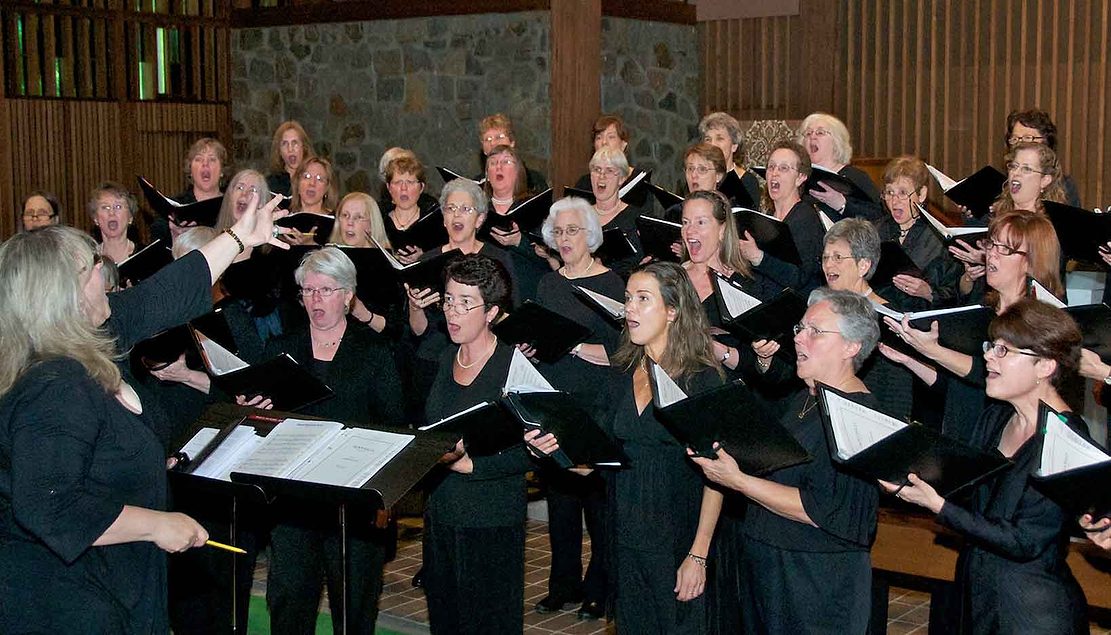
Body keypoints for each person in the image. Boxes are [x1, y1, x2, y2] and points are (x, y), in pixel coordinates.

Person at [0, 189, 286, 633]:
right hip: (68, 599)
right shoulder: (52, 384)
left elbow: (161, 296)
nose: (104, 270)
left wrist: (239, 236)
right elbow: (49, 507)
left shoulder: (95, 333)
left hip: (119, 582)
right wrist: (157, 525)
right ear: (65, 294)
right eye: (93, 265)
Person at [884, 299, 1089, 634]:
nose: (989, 356)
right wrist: (910, 475)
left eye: (1004, 351)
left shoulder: (1068, 438)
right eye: (991, 346)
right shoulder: (995, 418)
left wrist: (937, 504)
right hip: (980, 601)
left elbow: (1025, 540)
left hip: (1034, 615)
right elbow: (966, 490)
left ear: (1046, 366)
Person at [691, 288, 881, 633]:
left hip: (816, 580)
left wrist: (738, 480)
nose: (800, 339)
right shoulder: (803, 399)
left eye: (815, 332)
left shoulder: (859, 416)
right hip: (770, 562)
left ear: (852, 347)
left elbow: (821, 507)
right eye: (799, 329)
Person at [254, 247, 404, 635]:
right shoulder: (280, 350)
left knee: (354, 606)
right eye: (308, 291)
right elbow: (263, 426)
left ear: (348, 295)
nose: (315, 300)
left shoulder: (374, 352)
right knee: (289, 601)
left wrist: (384, 499)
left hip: (352, 501)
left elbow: (393, 426)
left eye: (325, 290)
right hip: (293, 499)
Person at [602, 262, 724, 632]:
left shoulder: (703, 378)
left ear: (672, 311)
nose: (630, 309)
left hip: (677, 531)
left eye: (643, 299)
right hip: (625, 530)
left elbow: (717, 475)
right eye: (627, 299)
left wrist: (698, 554)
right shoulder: (623, 370)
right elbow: (606, 453)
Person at [882, 210, 1065, 445]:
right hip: (960, 429)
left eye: (1004, 250)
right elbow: (957, 386)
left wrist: (934, 351)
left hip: (1004, 436)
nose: (991, 256)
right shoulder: (980, 306)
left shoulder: (1040, 319)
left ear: (1031, 261)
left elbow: (986, 374)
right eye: (991, 245)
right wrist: (909, 357)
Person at [422, 253, 533, 634]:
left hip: (492, 519)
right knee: (446, 621)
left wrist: (475, 466)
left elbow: (537, 449)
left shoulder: (512, 366)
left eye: (465, 303)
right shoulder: (443, 358)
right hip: (442, 515)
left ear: (491, 312)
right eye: (448, 300)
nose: (452, 312)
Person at [530, 197, 624, 620]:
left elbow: (627, 351)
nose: (565, 239)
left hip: (600, 404)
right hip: (556, 402)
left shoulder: (614, 284)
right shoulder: (548, 285)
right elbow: (543, 343)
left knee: (597, 506)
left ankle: (599, 587)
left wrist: (581, 348)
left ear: (590, 235)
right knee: (560, 502)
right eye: (559, 232)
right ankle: (562, 584)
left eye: (573, 231)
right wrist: (531, 349)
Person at [737, 139, 825, 296]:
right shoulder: (768, 217)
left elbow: (799, 277)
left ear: (800, 178)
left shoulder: (806, 219)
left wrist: (758, 257)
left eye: (783, 168)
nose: (774, 173)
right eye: (771, 167)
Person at [875, 156, 962, 307]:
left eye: (903, 193)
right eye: (889, 192)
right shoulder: (874, 231)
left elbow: (956, 296)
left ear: (921, 194)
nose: (894, 201)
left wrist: (928, 293)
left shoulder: (941, 239)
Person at [327, 192, 397, 337]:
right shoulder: (327, 259)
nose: (350, 222)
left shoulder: (386, 266)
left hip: (372, 342)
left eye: (358, 217)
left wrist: (363, 313)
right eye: (345, 215)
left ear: (371, 224)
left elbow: (395, 329)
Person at [796, 112, 883, 222]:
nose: (812, 137)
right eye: (808, 133)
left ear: (836, 141)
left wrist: (842, 205)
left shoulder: (855, 177)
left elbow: (877, 215)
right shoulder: (800, 177)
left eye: (820, 133)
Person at [153, 138, 228, 246]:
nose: (205, 164)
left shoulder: (231, 206)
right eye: (198, 159)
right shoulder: (173, 208)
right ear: (191, 171)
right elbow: (157, 244)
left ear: (222, 171)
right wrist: (175, 237)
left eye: (212, 159)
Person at [586, 146, 645, 278]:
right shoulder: (579, 216)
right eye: (597, 169)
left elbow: (637, 266)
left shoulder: (635, 219)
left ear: (622, 179)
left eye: (609, 170)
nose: (601, 176)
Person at [1004, 108, 1081, 207]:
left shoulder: (1066, 187)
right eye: (1015, 139)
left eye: (1027, 138)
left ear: (1046, 143)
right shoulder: (996, 184)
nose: (1019, 144)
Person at [379, 151, 444, 262]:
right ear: (389, 187)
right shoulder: (379, 220)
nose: (403, 188)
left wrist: (424, 257)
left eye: (410, 182)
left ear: (421, 187)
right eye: (398, 182)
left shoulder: (436, 221)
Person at [699, 112, 761, 207]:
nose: (713, 144)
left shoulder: (747, 182)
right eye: (708, 139)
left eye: (719, 138)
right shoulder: (697, 177)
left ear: (734, 146)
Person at [477, 113, 548, 192]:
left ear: (512, 142)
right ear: (483, 149)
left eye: (498, 137)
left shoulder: (533, 180)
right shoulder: (476, 186)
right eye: (488, 139)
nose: (493, 143)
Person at [88, 180, 143, 263]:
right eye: (105, 207)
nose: (111, 213)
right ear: (96, 219)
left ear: (130, 217)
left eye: (118, 206)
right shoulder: (88, 259)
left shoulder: (146, 256)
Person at [266, 120, 315, 197]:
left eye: (294, 143)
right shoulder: (270, 184)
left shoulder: (315, 180)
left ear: (304, 147)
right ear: (279, 151)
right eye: (285, 144)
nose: (290, 149)